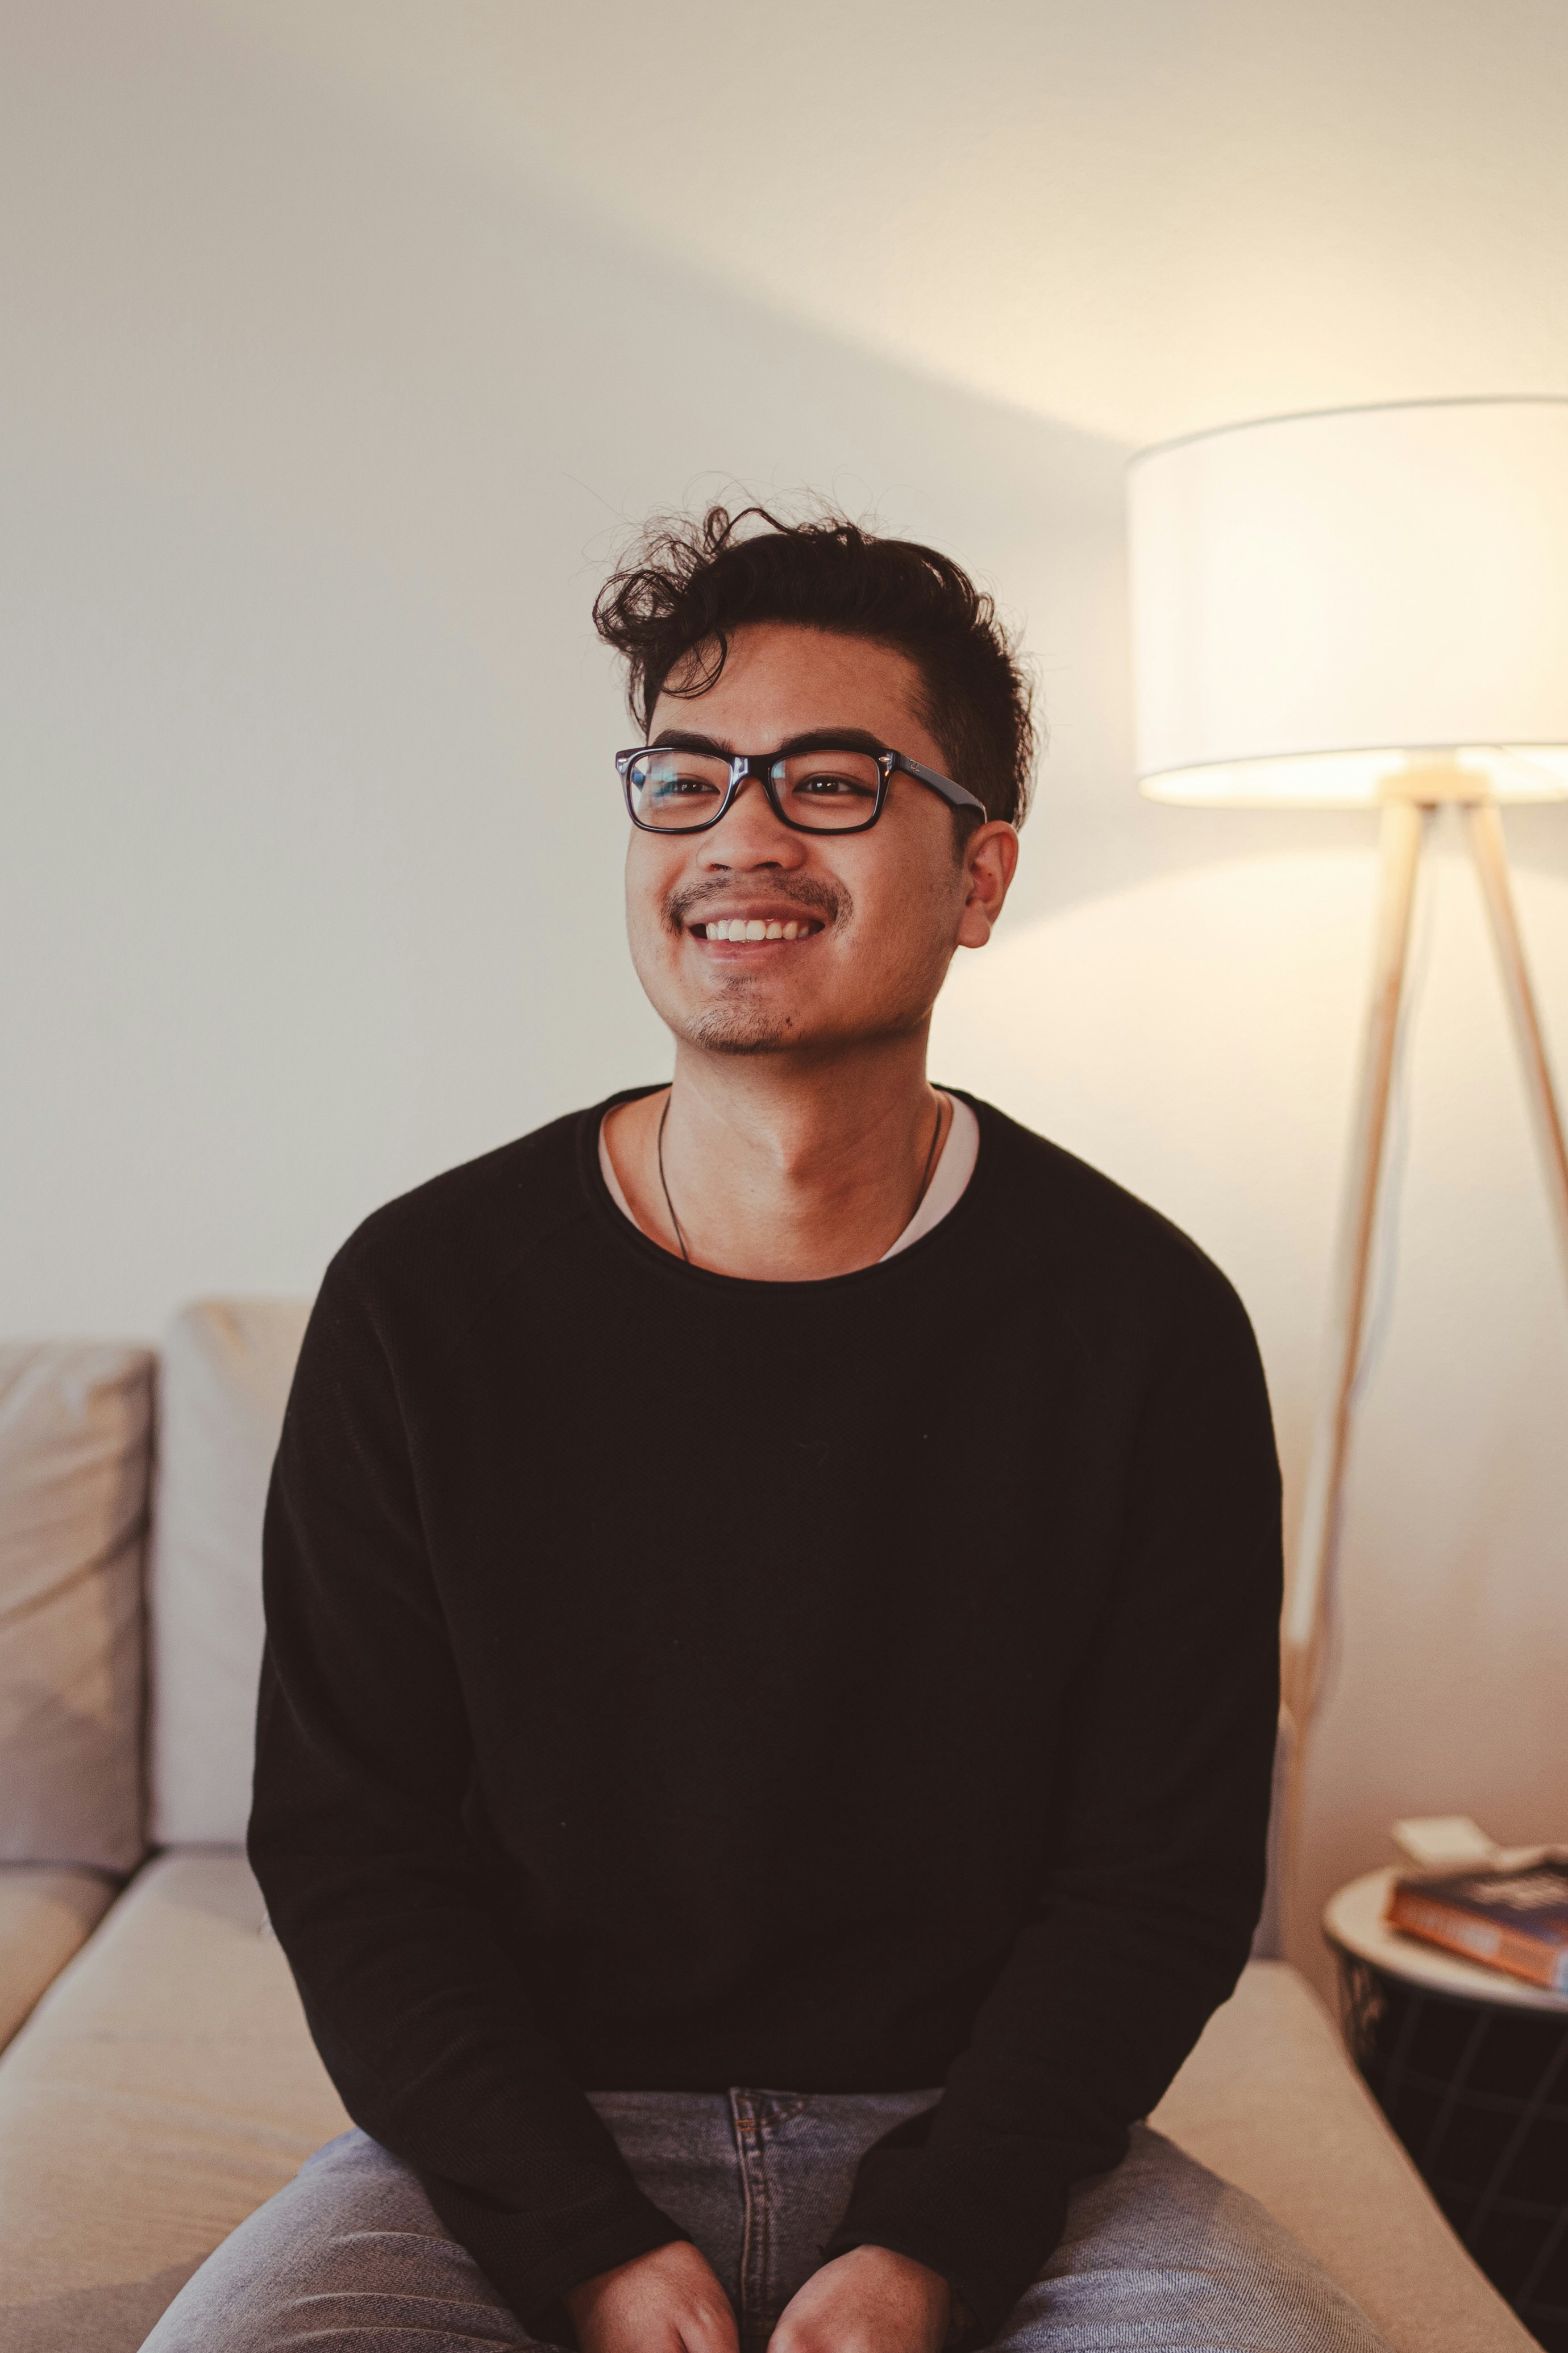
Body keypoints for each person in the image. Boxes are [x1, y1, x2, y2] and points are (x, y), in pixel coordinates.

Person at [144, 507, 1388, 2353]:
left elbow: (1160, 1876)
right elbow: (354, 1851)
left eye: (830, 781)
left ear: (980, 875)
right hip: (524, 2152)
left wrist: (939, 2239)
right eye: (686, 775)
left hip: (993, 2156)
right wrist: (576, 2235)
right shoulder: (424, 1298)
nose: (740, 834)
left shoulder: (1144, 1325)